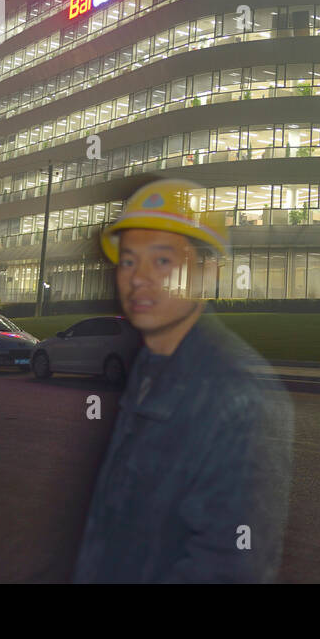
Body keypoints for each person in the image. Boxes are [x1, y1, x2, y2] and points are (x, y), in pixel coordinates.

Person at [73, 179, 294, 582]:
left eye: (161, 261)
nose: (137, 278)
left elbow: (231, 566)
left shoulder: (238, 394)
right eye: (128, 260)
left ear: (208, 272)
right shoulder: (147, 368)